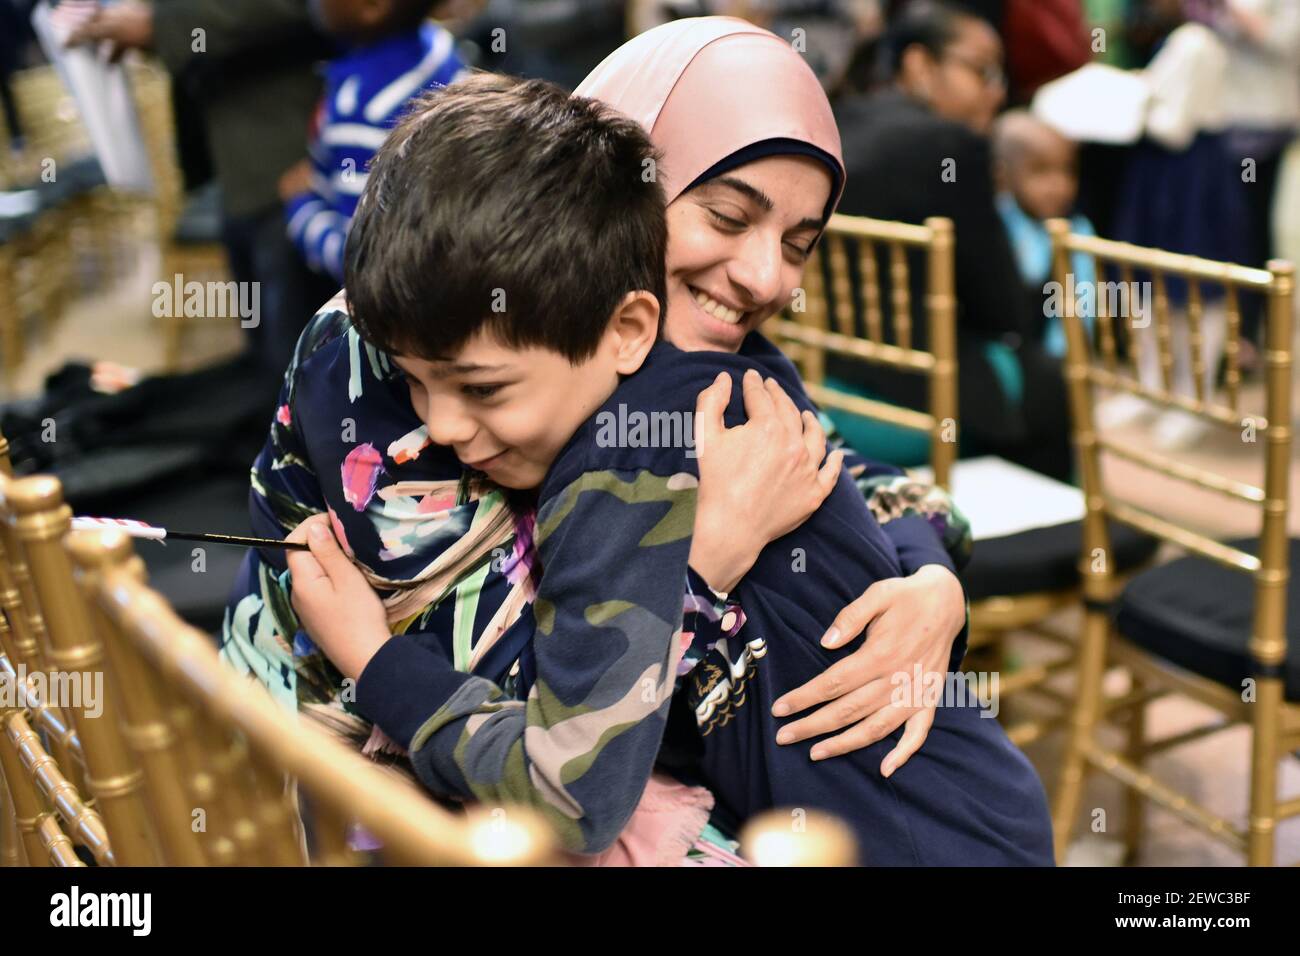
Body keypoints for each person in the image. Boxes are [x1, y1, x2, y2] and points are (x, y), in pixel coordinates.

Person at [282, 69, 1053, 865]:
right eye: (725, 215)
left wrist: (930, 588)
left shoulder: (695, 397)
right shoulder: (413, 352)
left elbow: (567, 783)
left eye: (799, 244)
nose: (766, 279)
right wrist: (702, 560)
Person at [832, 0, 1074, 480]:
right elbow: (1001, 309)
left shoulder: (838, 119)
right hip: (915, 384)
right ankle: (1057, 543)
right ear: (920, 65)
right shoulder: (951, 144)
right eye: (981, 72)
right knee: (1049, 382)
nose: (995, 92)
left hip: (832, 369)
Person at [279, 0, 467, 284]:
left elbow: (360, 262)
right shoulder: (439, 45)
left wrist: (301, 206)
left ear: (373, 6)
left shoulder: (359, 109)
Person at [991, 109, 1096, 358]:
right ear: (1002, 175)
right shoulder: (995, 220)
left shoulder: (1077, 230)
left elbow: (1080, 310)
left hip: (1053, 362)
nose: (1058, 185)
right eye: (1040, 171)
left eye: (1067, 170)